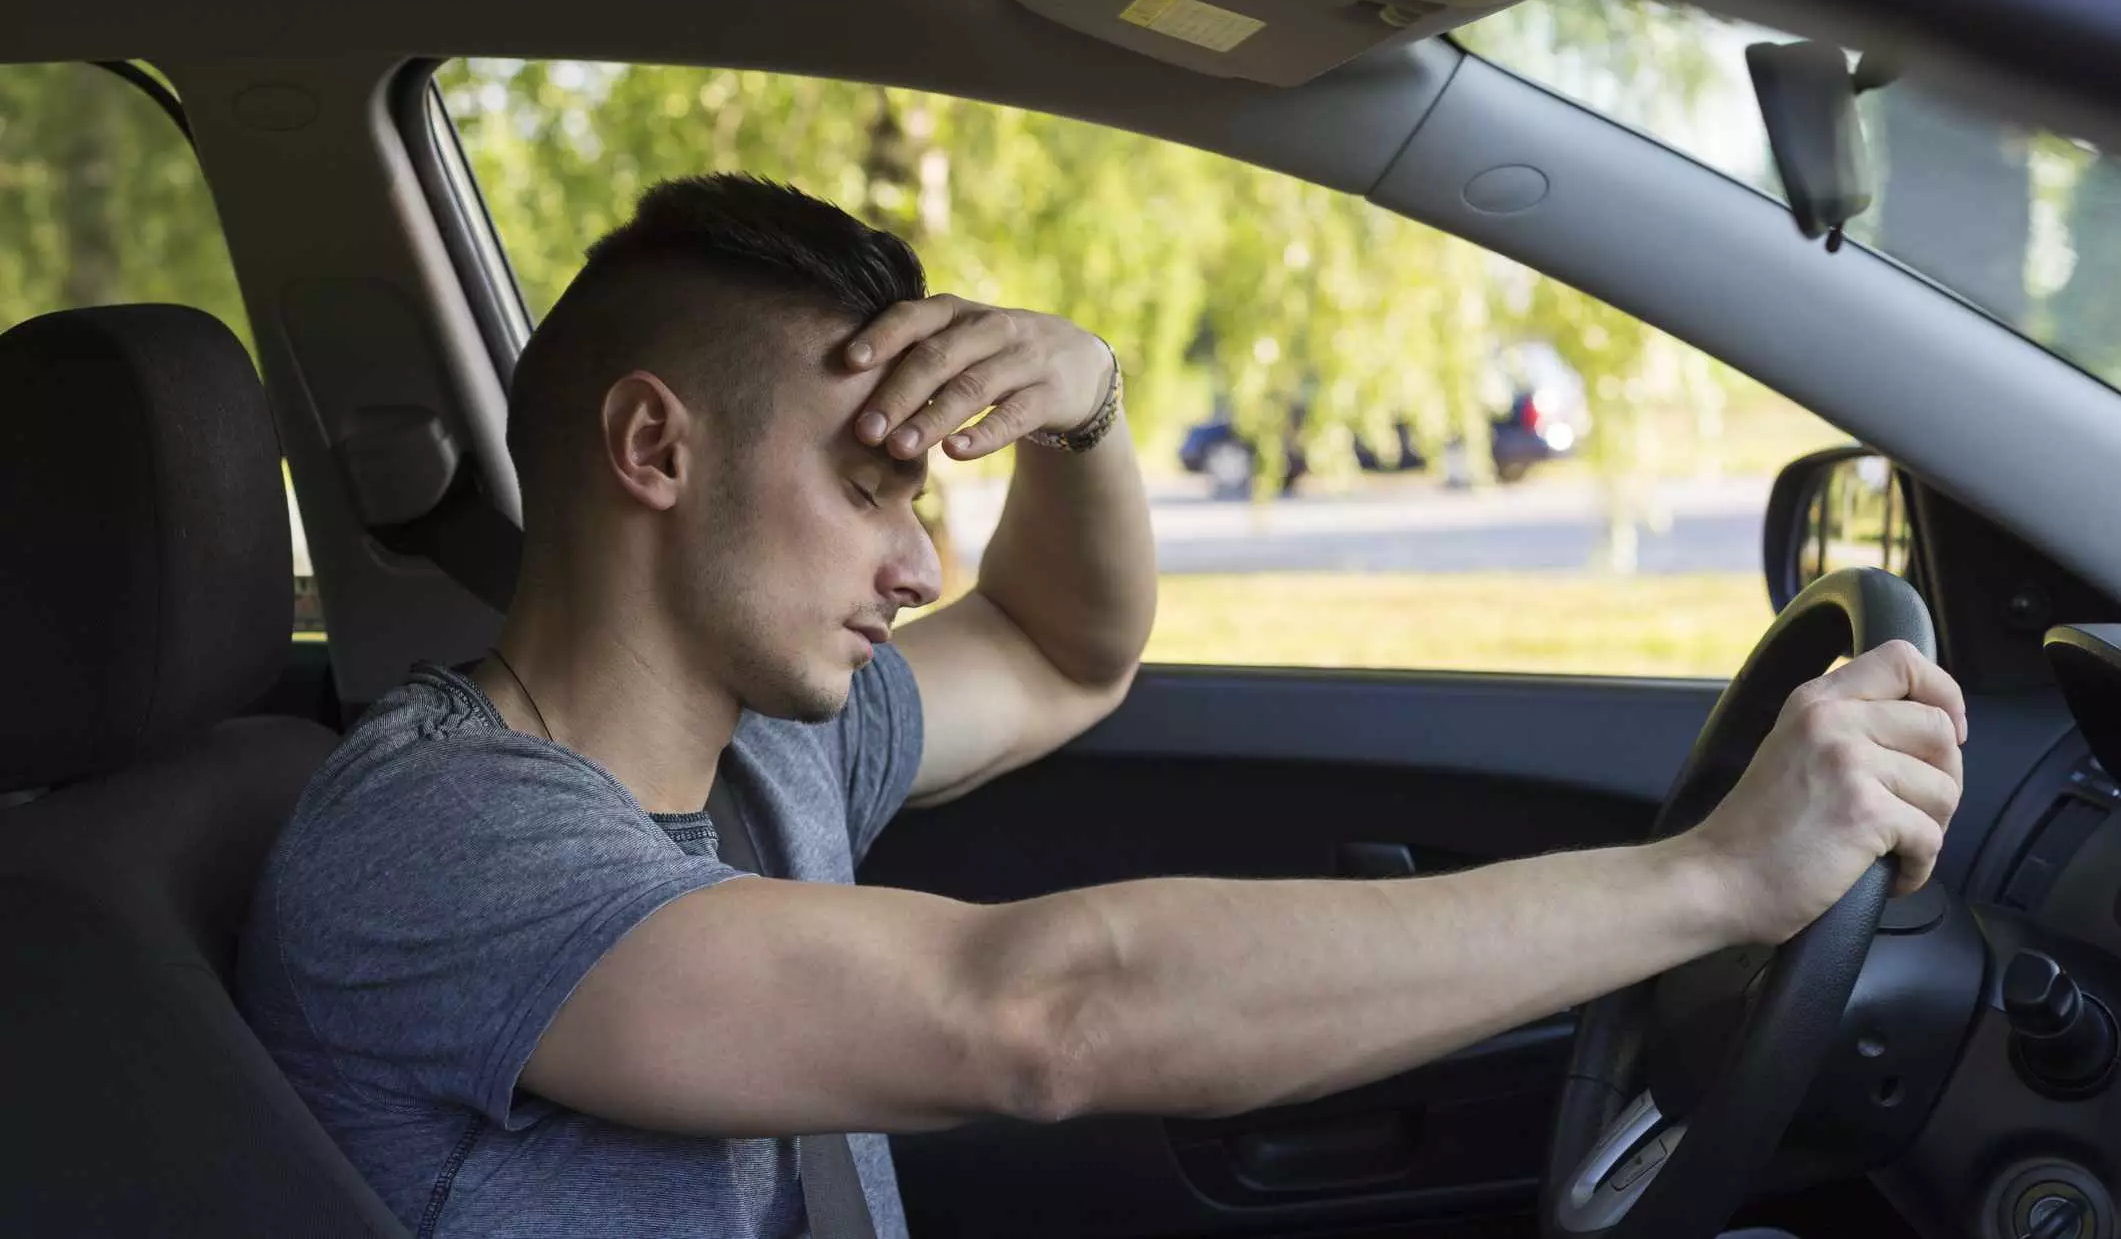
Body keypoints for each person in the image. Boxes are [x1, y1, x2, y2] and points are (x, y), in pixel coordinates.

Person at [236, 175, 1967, 1239]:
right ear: (653, 450)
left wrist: (1091, 411)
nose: (919, 563)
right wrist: (1716, 883)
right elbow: (1042, 1015)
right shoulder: (438, 839)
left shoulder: (770, 744)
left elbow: (1068, 649)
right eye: (874, 485)